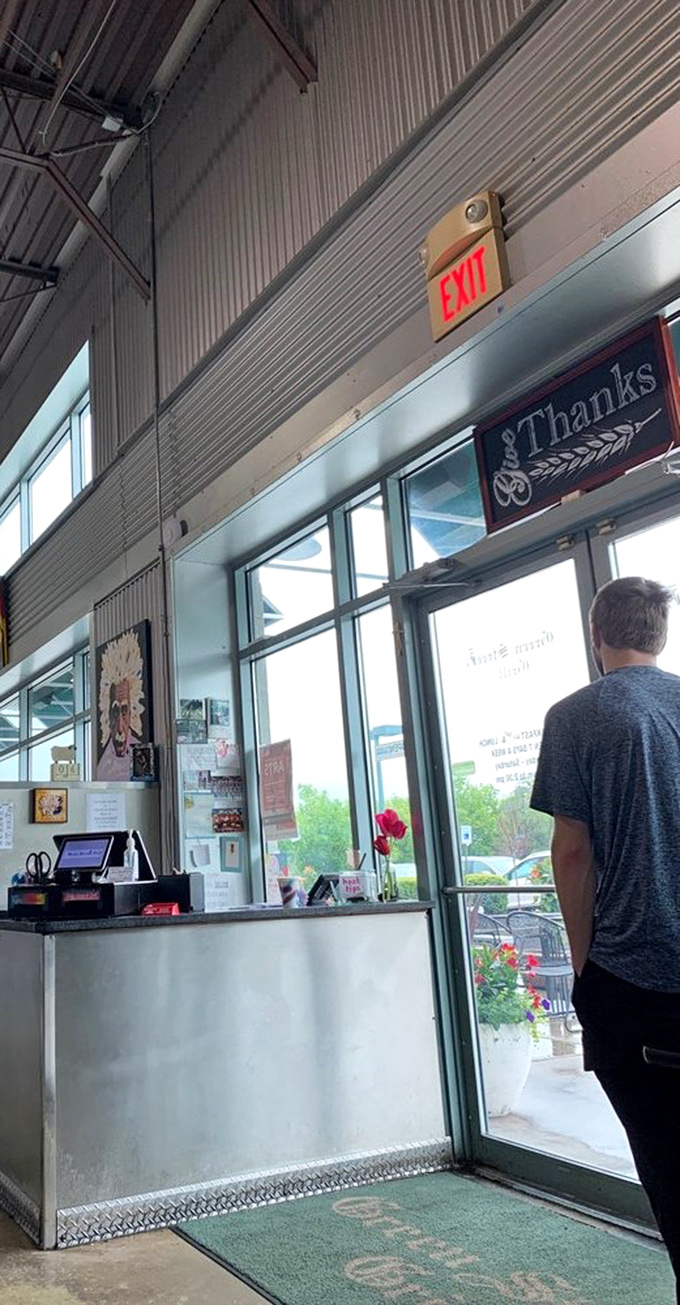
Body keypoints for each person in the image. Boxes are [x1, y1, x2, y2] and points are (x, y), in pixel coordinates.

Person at [530, 575, 680, 1297]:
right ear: (659, 635)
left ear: (598, 638)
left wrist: (584, 964)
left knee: (670, 1169)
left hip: (635, 978)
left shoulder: (576, 716)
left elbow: (571, 851)